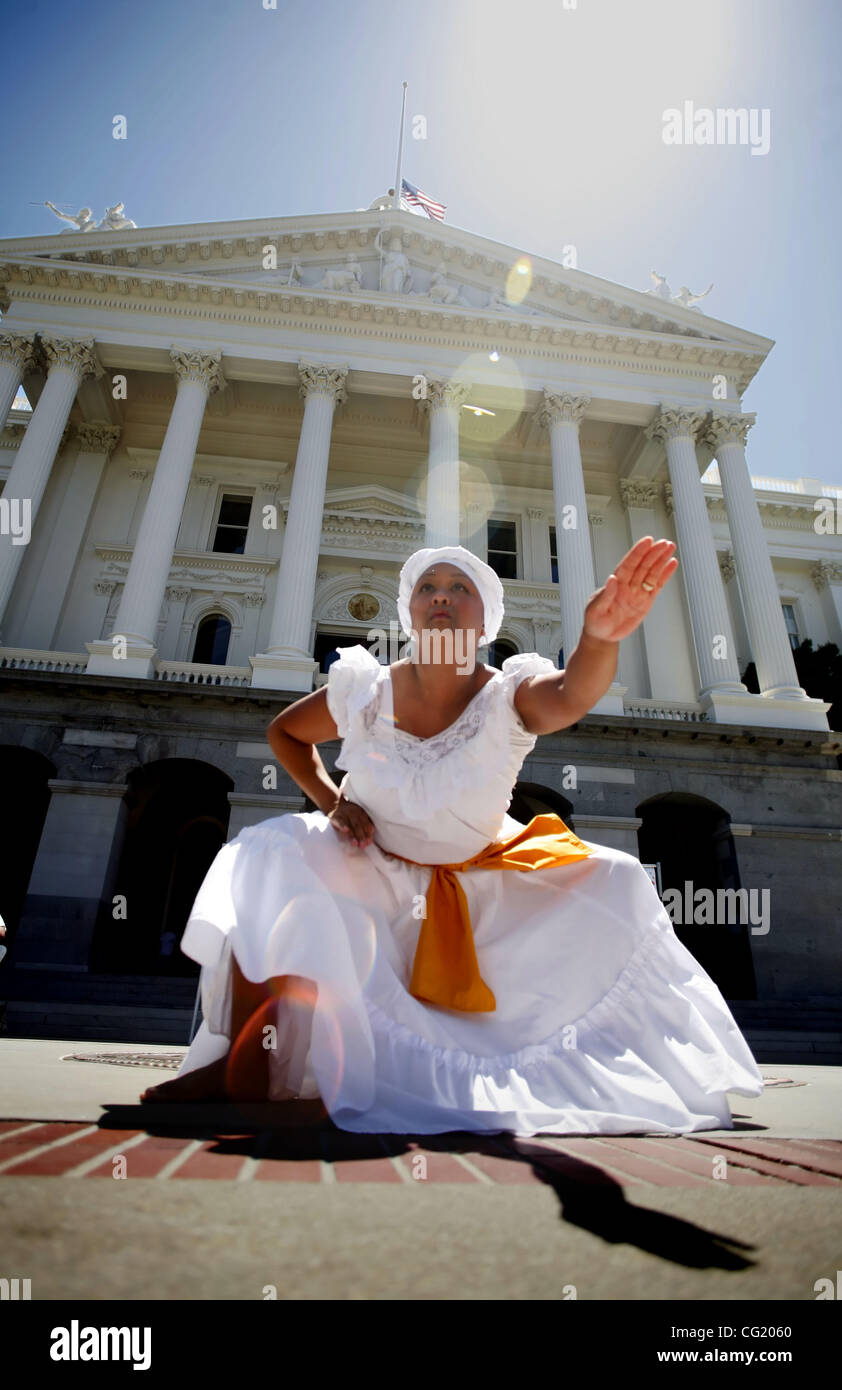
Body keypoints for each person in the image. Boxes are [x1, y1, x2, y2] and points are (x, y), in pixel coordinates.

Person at [140, 538, 765, 1135]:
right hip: (370, 869)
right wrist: (332, 803)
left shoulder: (508, 694)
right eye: (429, 587)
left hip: (478, 879)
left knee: (619, 877)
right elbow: (285, 734)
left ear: (485, 615)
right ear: (409, 610)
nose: (442, 596)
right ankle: (238, 1061)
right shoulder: (366, 688)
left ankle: (633, 1057)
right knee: (272, 848)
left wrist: (598, 639)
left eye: (460, 587)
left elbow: (571, 695)